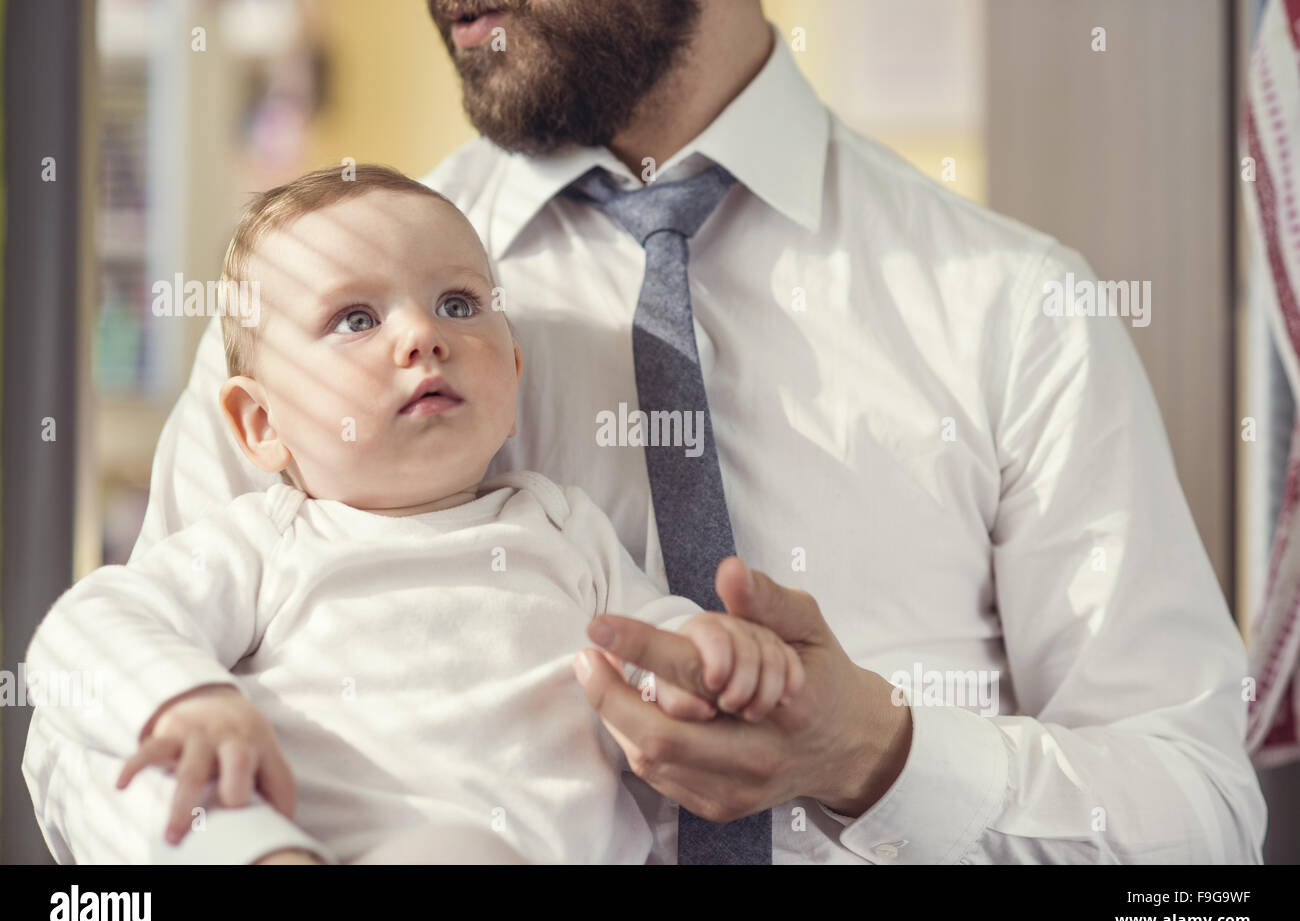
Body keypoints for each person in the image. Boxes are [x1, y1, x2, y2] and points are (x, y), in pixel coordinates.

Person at [28, 0, 1267, 864]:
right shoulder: (303, 316)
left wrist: (877, 757)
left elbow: (1204, 830)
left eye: (464, 311)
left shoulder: (1015, 308)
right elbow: (92, 738)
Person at [22, 165, 801, 864]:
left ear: (515, 380)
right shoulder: (267, 544)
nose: (424, 336)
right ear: (261, 424)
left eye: (458, 303)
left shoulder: (565, 528)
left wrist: (711, 656)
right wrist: (188, 697)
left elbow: (648, 655)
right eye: (356, 319)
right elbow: (90, 623)